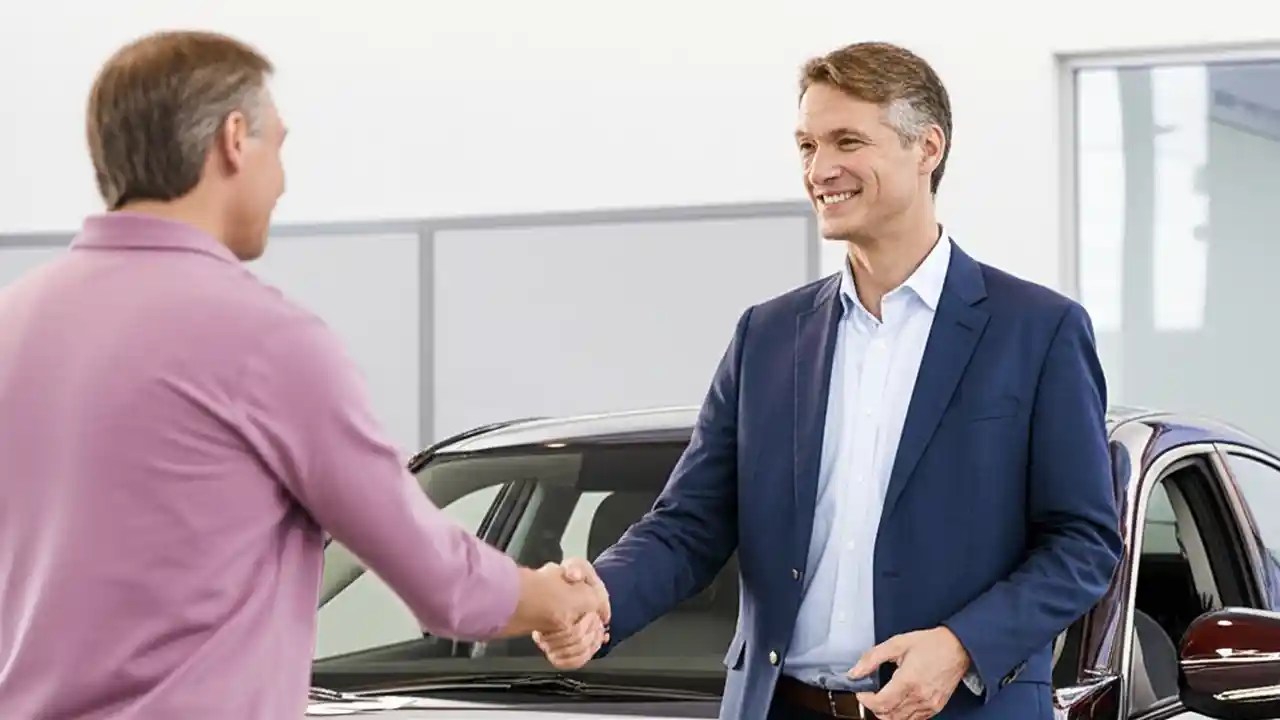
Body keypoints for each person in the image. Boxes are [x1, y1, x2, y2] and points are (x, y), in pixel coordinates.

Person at [0, 30, 607, 720]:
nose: (282, 180)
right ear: (234, 139)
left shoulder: (13, 323)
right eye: (278, 146)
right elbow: (446, 585)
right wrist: (561, 600)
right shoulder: (262, 340)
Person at [533, 41, 1123, 720]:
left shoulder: (1037, 330)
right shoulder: (768, 335)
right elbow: (689, 524)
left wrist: (963, 644)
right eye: (807, 146)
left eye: (847, 141)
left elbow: (1083, 543)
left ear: (927, 148)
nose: (821, 169)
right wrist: (599, 599)